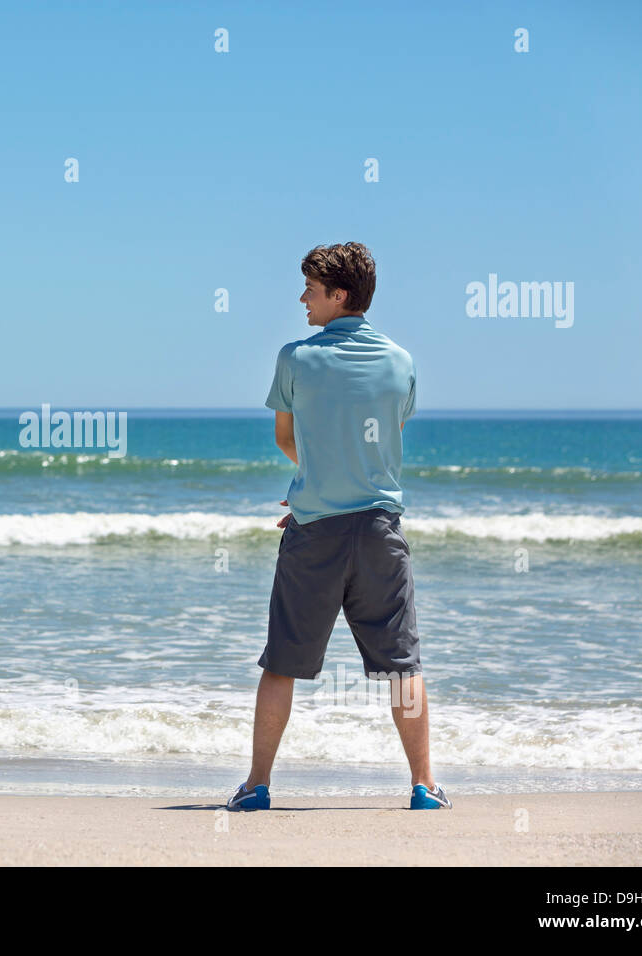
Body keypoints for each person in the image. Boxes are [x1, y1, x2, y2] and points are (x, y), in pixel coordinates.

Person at [227, 241, 450, 811]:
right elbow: (380, 436)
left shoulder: (295, 358)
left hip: (314, 532)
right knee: (403, 666)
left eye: (310, 288)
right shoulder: (402, 361)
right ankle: (424, 788)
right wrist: (343, 478)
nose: (302, 298)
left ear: (339, 294)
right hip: (380, 531)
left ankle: (256, 788)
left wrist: (319, 485)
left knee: (282, 663)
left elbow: (286, 439)